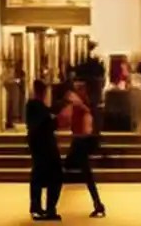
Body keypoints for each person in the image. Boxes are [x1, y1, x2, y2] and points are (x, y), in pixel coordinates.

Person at [59, 83, 106, 218]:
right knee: (84, 174)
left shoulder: (82, 107)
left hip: (81, 142)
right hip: (80, 142)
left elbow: (84, 126)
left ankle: (98, 204)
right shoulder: (81, 106)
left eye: (80, 88)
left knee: (73, 172)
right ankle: (98, 204)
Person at [26, 80, 63, 221]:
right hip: (43, 145)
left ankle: (41, 207)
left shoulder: (37, 106)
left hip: (40, 145)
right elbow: (46, 124)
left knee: (40, 175)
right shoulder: (35, 106)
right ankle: (46, 208)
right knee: (51, 175)